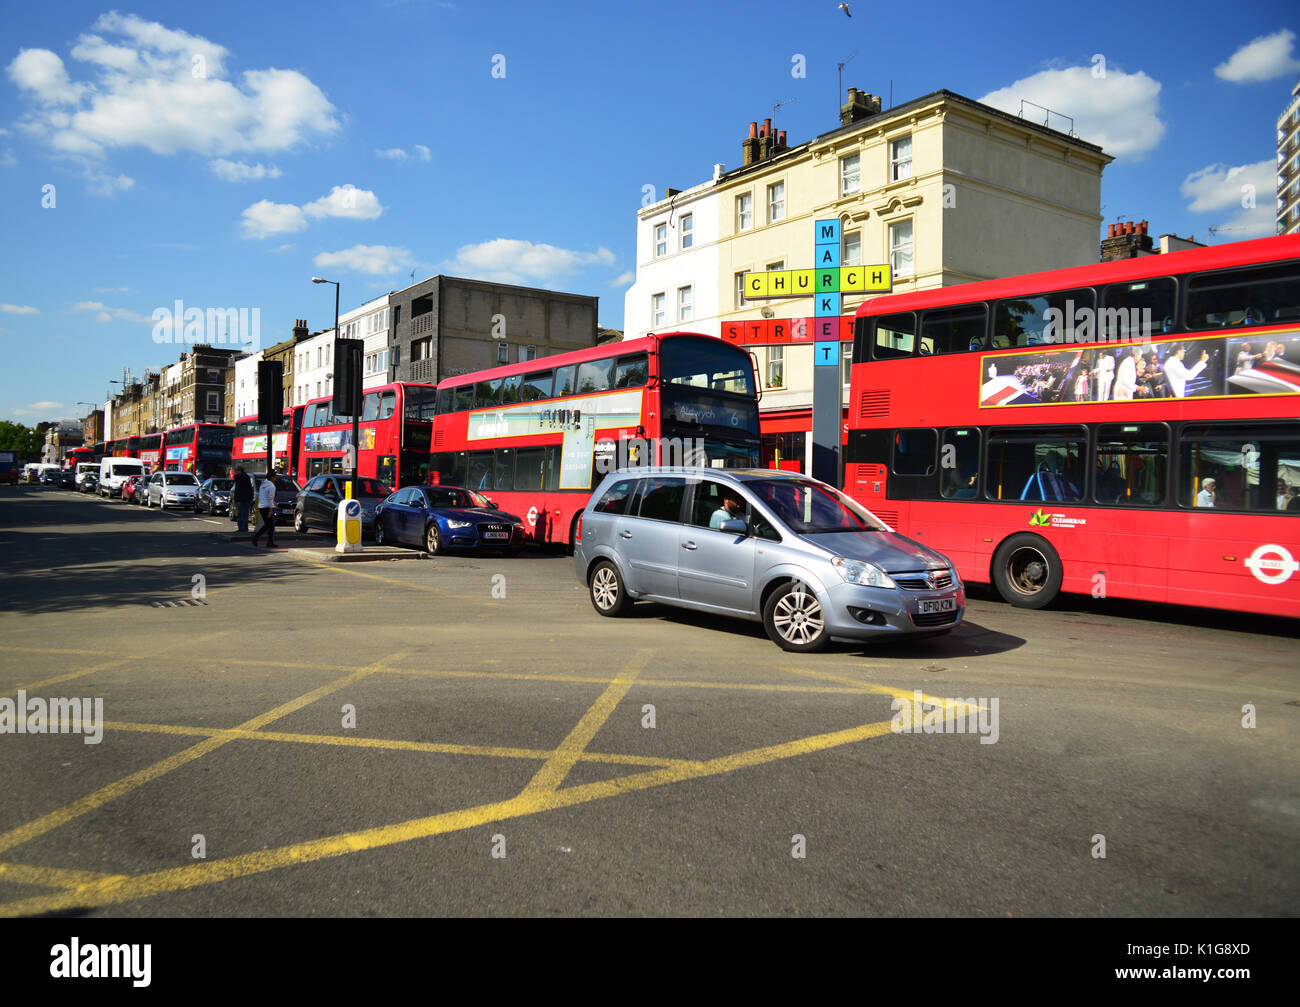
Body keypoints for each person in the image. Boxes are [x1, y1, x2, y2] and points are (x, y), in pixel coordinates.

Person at [250, 470, 278, 547]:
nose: (276, 478)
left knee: (268, 525)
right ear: (272, 477)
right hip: (267, 507)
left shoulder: (263, 484)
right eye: (275, 476)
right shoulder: (272, 486)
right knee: (270, 526)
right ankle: (259, 538)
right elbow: (270, 498)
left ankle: (265, 540)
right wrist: (271, 510)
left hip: (261, 506)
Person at [232, 465, 254, 533]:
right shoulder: (247, 477)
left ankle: (242, 528)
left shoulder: (240, 477)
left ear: (239, 471)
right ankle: (244, 528)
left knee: (241, 514)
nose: (235, 473)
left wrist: (235, 475)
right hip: (247, 498)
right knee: (245, 514)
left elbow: (237, 482)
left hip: (241, 498)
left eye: (236, 471)